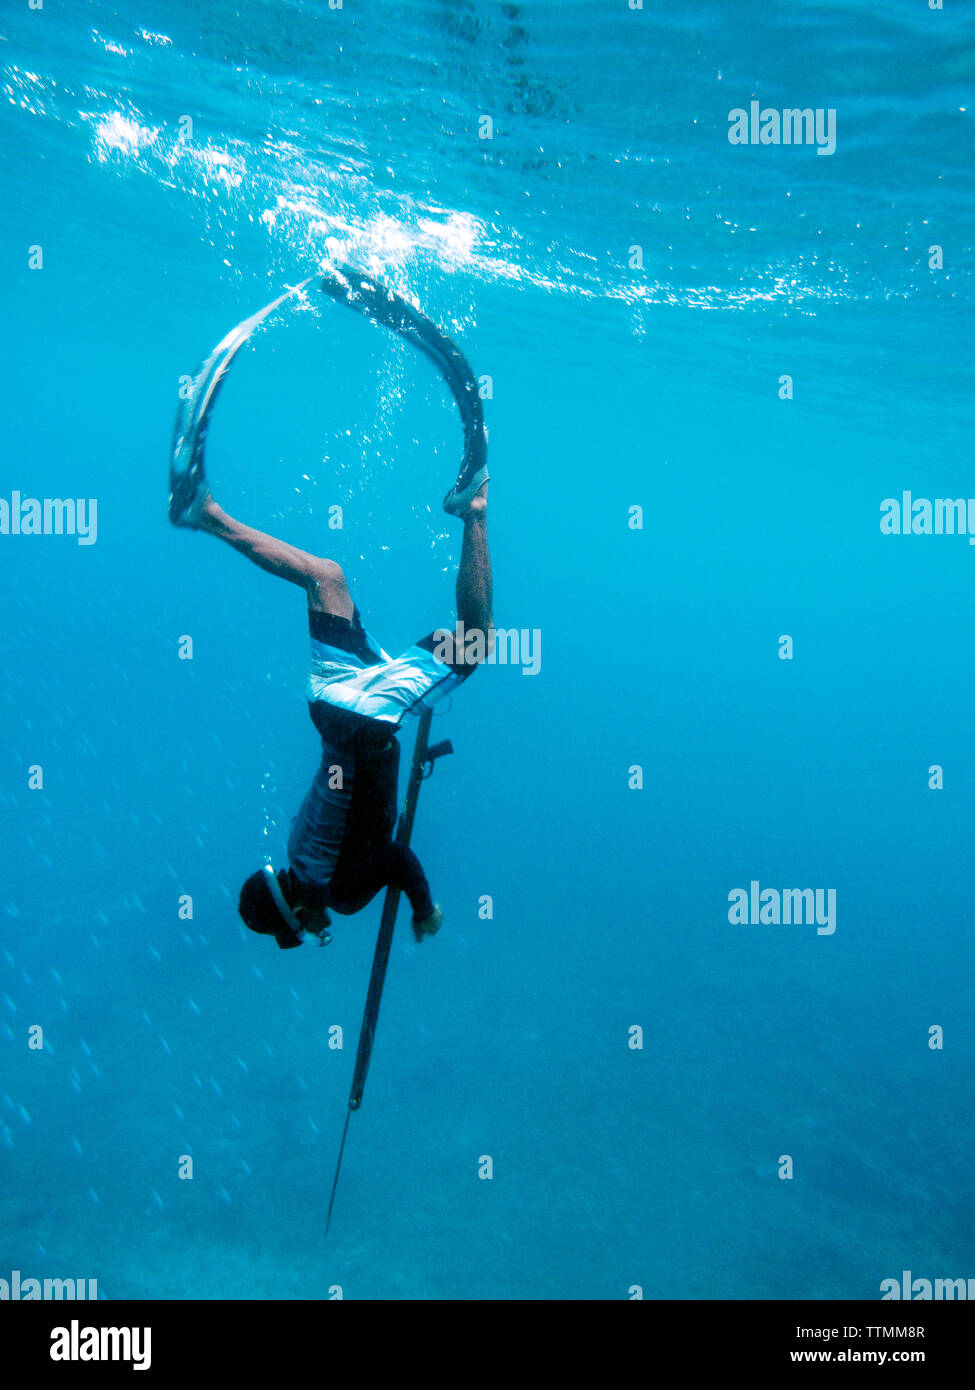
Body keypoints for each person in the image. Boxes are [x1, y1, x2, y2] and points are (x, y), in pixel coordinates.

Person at [170, 436, 492, 951]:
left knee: (476, 639)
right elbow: (361, 823)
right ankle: (204, 511)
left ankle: (472, 508)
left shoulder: (338, 895)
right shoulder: (296, 848)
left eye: (304, 928)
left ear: (297, 909)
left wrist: (423, 909)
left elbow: (396, 860)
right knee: (325, 576)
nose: (321, 930)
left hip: (363, 720)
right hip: (330, 700)